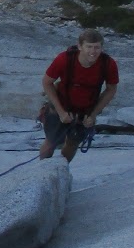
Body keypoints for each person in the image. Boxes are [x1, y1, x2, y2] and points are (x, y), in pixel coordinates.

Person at [39, 29, 118, 162]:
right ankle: (42, 171)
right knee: (52, 141)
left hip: (85, 110)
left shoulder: (108, 64)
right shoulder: (64, 59)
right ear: (80, 46)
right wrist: (61, 112)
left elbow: (111, 89)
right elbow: (47, 83)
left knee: (73, 142)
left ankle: (61, 169)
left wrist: (93, 115)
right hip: (61, 103)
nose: (93, 52)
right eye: (89, 47)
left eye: (97, 47)